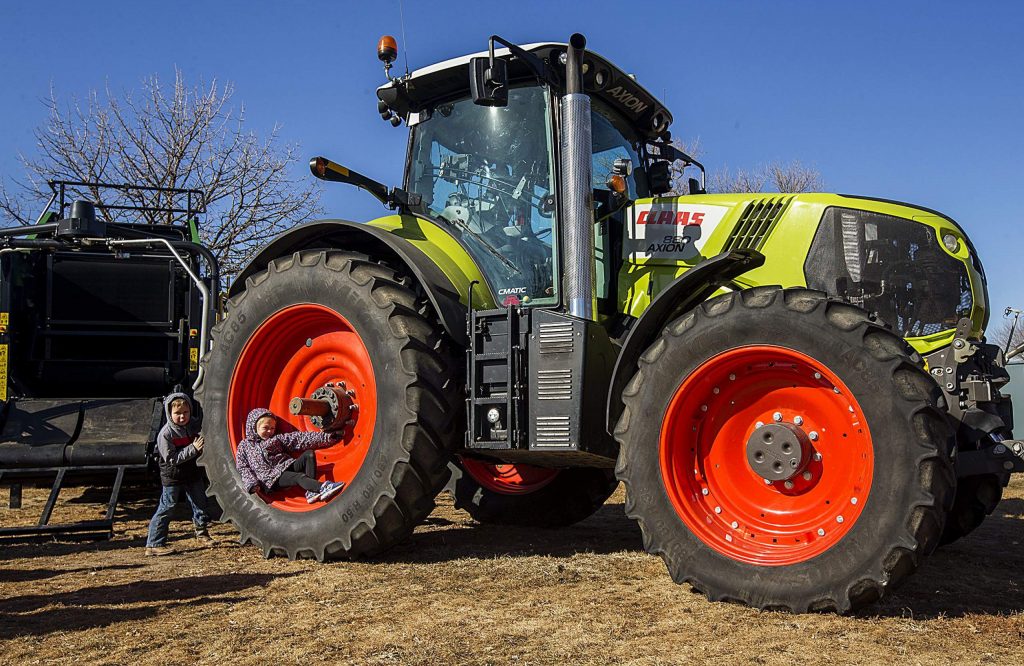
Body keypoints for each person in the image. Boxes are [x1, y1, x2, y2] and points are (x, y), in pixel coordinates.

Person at [145, 392, 212, 556]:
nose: (182, 417)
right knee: (167, 506)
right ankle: (154, 543)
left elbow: (205, 425)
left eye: (185, 413)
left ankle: (202, 533)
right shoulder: (166, 434)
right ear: (169, 413)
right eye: (177, 413)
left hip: (191, 471)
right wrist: (193, 449)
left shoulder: (192, 425)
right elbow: (171, 458)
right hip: (173, 474)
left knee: (200, 503)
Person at [235, 408, 344, 504]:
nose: (269, 431)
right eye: (265, 428)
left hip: (285, 466)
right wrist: (252, 483)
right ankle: (321, 487)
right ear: (254, 427)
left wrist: (328, 437)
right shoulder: (245, 446)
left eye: (272, 428)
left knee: (309, 454)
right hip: (270, 479)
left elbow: (299, 439)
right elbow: (243, 466)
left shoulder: (276, 439)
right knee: (298, 477)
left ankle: (311, 491)